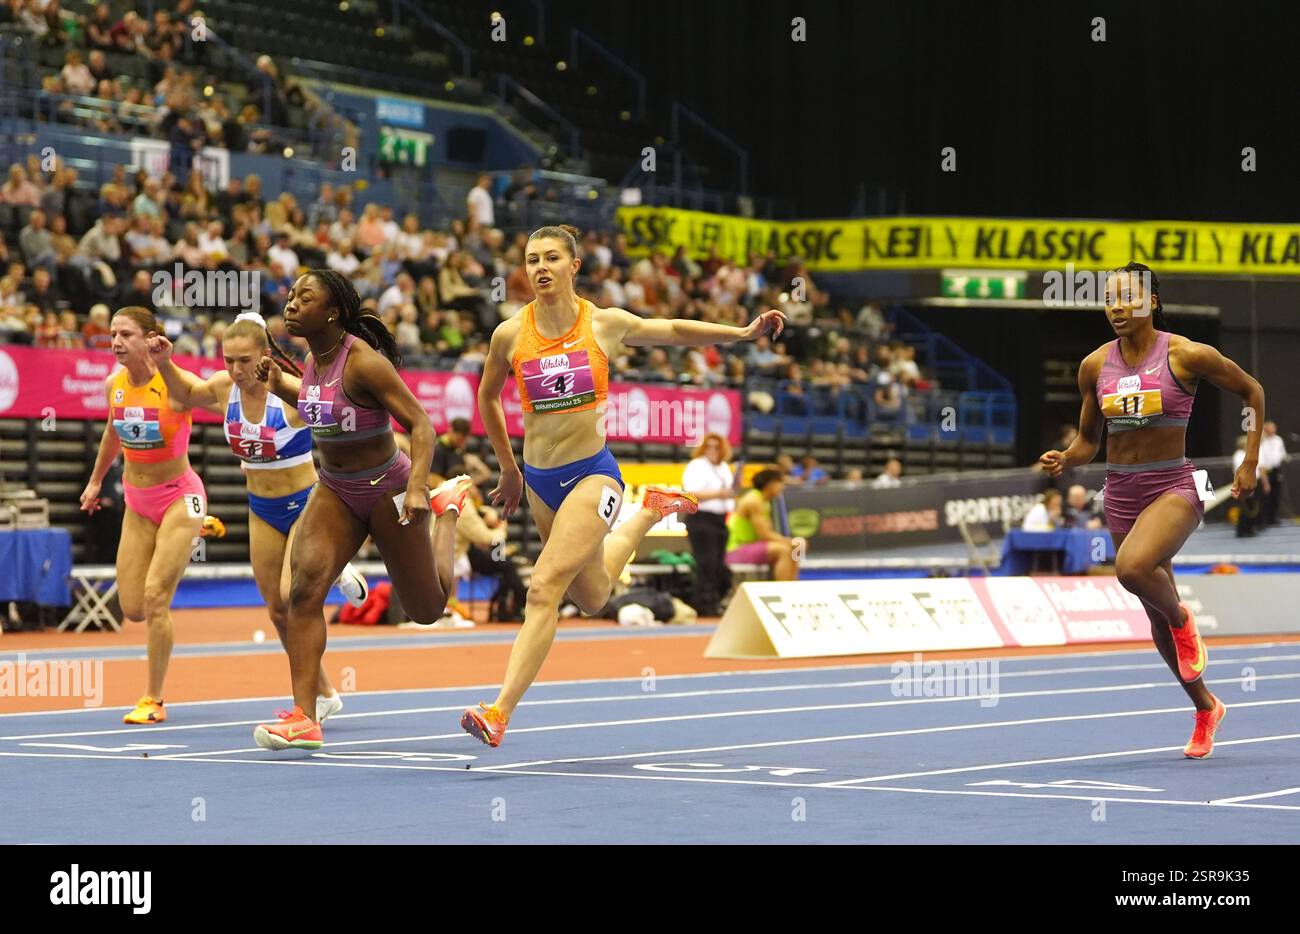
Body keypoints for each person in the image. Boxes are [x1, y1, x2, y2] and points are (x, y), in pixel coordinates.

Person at [460, 224, 786, 747]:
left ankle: (499, 710)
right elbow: (487, 397)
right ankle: (648, 512)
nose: (540, 268)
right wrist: (508, 468)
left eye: (550, 258)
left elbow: (675, 330)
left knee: (543, 588)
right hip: (541, 480)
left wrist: (741, 334)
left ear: (574, 266)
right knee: (591, 596)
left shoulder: (605, 324)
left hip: (592, 475)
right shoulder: (509, 334)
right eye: (530, 260)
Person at [1040, 262, 1265, 759]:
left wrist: (1249, 460)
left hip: (1173, 486)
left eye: (1127, 297)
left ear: (1152, 302)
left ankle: (1184, 619)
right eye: (1109, 299)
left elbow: (1253, 391)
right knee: (1153, 616)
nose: (1117, 307)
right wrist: (1066, 458)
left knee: (1132, 568)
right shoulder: (1094, 366)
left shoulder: (1186, 354)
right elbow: (1087, 442)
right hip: (1121, 492)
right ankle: (1206, 708)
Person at [249, 270, 471, 750]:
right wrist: (279, 385)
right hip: (335, 489)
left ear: (331, 312)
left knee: (427, 609)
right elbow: (318, 408)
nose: (290, 304)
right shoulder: (313, 358)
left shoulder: (363, 362)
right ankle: (305, 718)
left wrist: (417, 489)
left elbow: (422, 425)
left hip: (389, 488)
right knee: (302, 592)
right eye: (289, 297)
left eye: (303, 298)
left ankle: (447, 510)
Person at [148, 310, 369, 724]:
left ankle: (336, 562)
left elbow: (343, 413)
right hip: (261, 510)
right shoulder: (222, 389)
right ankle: (322, 692)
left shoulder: (287, 394)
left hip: (306, 503)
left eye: (244, 361)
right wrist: (164, 363)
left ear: (265, 355)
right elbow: (184, 394)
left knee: (292, 595)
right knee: (277, 611)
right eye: (228, 360)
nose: (235, 369)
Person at [80, 307, 207, 724]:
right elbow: (113, 431)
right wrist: (97, 481)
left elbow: (218, 395)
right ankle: (195, 528)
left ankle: (153, 699)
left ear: (150, 338)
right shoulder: (113, 385)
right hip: (138, 502)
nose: (116, 342)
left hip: (178, 496)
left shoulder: (174, 385)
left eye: (126, 334)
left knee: (155, 598)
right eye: (113, 334)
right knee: (132, 607)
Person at [681, 433, 738, 617]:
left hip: (720, 519)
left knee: (718, 565)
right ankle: (704, 604)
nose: (712, 450)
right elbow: (691, 493)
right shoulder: (696, 466)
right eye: (709, 446)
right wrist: (719, 494)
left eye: (716, 446)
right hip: (701, 518)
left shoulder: (723, 467)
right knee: (707, 563)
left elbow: (729, 492)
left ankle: (714, 599)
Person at [725, 468, 803, 581]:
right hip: (736, 549)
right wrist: (791, 541)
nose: (783, 486)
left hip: (752, 546)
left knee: (796, 548)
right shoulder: (754, 501)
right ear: (770, 484)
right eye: (780, 482)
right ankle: (784, 590)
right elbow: (765, 535)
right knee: (784, 550)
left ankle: (792, 584)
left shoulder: (764, 501)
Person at [1231, 435, 1268, 538]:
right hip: (1244, 483)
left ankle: (1249, 528)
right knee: (1245, 507)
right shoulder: (1239, 455)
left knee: (1252, 506)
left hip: (1253, 481)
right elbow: (1240, 470)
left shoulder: (1248, 454)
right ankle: (1242, 530)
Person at [1258, 421, 1287, 526]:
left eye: (1273, 428)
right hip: (1265, 470)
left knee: (1276, 494)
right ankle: (1263, 518)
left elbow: (1282, 453)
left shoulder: (1279, 440)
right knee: (1265, 495)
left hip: (1276, 469)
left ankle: (1273, 517)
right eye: (1269, 428)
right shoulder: (1262, 440)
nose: (1272, 430)